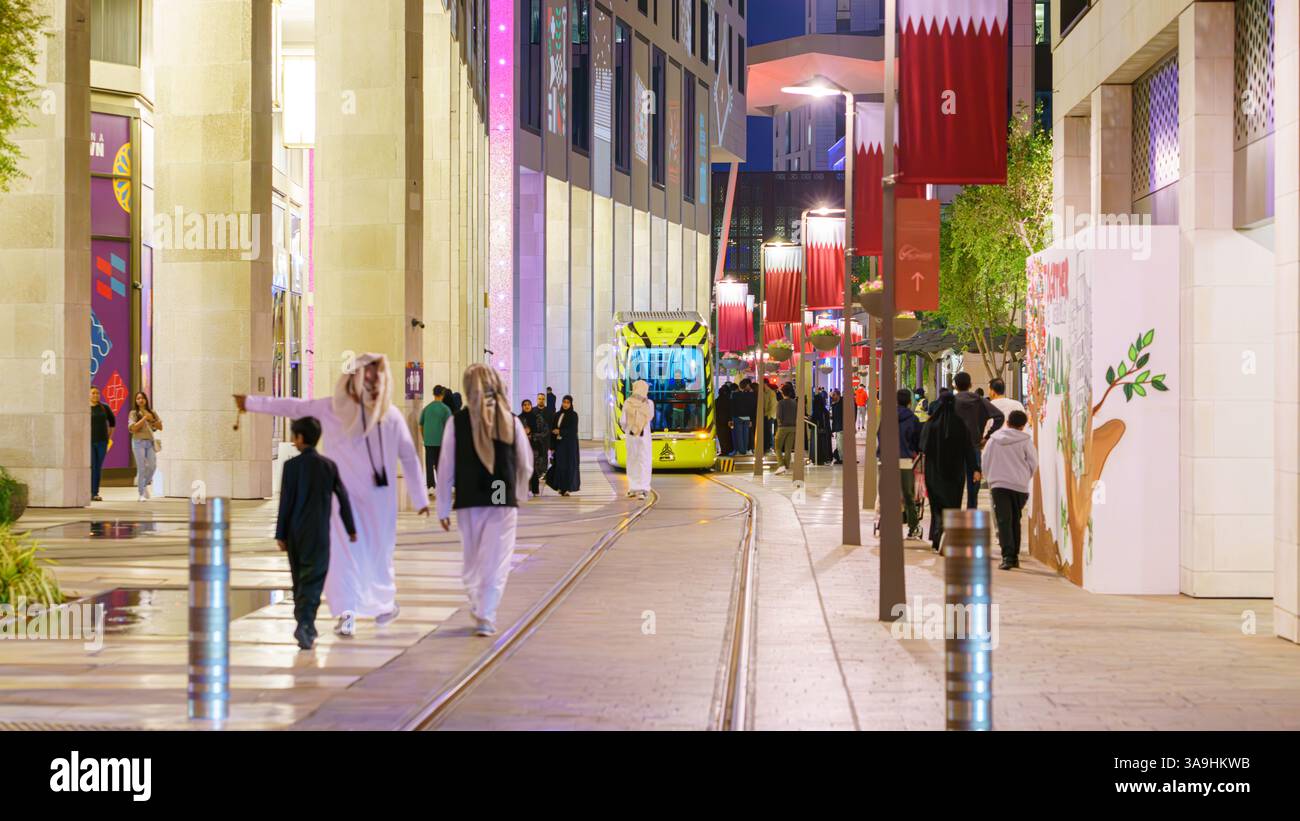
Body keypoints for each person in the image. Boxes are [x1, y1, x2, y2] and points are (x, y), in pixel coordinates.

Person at [235, 353, 428, 638]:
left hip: (342, 498)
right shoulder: (389, 415)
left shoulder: (335, 409)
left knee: (347, 555)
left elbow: (293, 407)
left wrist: (251, 402)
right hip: (374, 499)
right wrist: (420, 497)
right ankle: (380, 605)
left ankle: (349, 612)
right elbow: (409, 457)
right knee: (376, 553)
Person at [437, 364, 533, 636]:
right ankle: (485, 613)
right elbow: (525, 463)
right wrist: (519, 493)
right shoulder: (510, 420)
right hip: (500, 495)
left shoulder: (457, 422)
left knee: (473, 557)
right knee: (497, 558)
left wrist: (442, 507)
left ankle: (478, 602)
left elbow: (445, 467)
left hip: (469, 496)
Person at [277, 417, 357, 650]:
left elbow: (285, 502)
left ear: (300, 438)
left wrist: (280, 533)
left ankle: (305, 623)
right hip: (319, 533)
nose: (293, 441)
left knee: (298, 579)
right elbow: (343, 498)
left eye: (294, 436)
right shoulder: (328, 466)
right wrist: (350, 528)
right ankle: (305, 624)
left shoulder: (290, 467)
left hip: (295, 533)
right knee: (313, 579)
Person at [919, 391, 980, 554]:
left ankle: (937, 538)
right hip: (955, 474)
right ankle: (949, 537)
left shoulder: (931, 424)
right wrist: (975, 468)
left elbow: (922, 446)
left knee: (936, 506)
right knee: (953, 506)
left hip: (934, 473)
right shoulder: (961, 425)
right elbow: (969, 449)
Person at [982, 410, 1038, 570]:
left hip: (999, 485)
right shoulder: (1026, 441)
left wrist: (990, 478)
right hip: (1019, 486)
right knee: (1015, 519)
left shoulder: (994, 440)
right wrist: (1024, 477)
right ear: (1023, 426)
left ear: (1007, 422)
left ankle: (1008, 556)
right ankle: (1014, 557)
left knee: (1003, 520)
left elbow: (985, 460)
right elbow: (1033, 463)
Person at [953, 371, 1005, 509]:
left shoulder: (951, 401)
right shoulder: (979, 400)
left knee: (954, 486)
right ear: (970, 384)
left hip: (954, 449)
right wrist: (987, 437)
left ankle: (955, 515)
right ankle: (971, 512)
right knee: (974, 484)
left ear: (955, 386)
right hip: (974, 446)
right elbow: (999, 416)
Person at [878, 389, 924, 539]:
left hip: (887, 460)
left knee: (888, 494)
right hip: (905, 461)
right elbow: (917, 441)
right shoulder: (913, 419)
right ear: (910, 402)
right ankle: (913, 527)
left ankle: (885, 524)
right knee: (908, 496)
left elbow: (880, 435)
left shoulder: (887, 417)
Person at [620, 379, 654, 499]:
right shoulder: (649, 403)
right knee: (644, 461)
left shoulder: (627, 402)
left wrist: (629, 428)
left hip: (631, 436)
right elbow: (650, 417)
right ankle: (644, 488)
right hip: (644, 437)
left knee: (632, 461)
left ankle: (633, 488)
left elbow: (623, 421)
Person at [127, 391, 162, 501]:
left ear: (146, 400)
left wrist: (152, 419)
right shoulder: (133, 413)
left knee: (152, 466)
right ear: (135, 401)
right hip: (138, 442)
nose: (140, 400)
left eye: (142, 398)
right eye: (138, 398)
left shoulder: (152, 412)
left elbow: (160, 427)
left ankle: (144, 484)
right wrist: (144, 418)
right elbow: (133, 428)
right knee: (141, 467)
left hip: (150, 442)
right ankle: (141, 494)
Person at [418, 386, 452, 498]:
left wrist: (425, 438)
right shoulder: (445, 409)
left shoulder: (427, 408)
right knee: (440, 464)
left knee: (429, 464)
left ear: (434, 394)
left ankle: (430, 487)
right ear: (442, 394)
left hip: (428, 441)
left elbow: (420, 425)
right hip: (441, 441)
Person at [545, 395, 581, 495]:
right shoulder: (557, 415)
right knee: (559, 466)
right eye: (564, 402)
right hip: (559, 445)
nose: (565, 404)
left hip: (569, 446)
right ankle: (561, 486)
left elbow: (573, 430)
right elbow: (552, 430)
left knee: (568, 466)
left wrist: (560, 431)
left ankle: (566, 488)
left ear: (571, 404)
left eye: (568, 402)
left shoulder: (574, 415)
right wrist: (552, 447)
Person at [519, 398, 550, 496]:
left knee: (533, 468)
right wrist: (523, 433)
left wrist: (532, 436)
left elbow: (545, 431)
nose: (527, 406)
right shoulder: (519, 419)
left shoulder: (537, 417)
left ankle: (535, 490)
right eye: (524, 405)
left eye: (528, 404)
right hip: (522, 447)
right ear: (522, 407)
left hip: (535, 446)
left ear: (531, 406)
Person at [89, 386, 115, 502]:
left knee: (98, 467)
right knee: (92, 466)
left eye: (97, 393)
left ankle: (95, 492)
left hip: (102, 442)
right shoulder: (84, 408)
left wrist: (108, 437)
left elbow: (112, 423)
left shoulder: (104, 407)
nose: (96, 395)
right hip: (89, 442)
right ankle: (89, 491)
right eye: (93, 393)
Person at [774, 383, 798, 476]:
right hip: (793, 427)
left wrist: (780, 422)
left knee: (778, 447)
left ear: (782, 392)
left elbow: (779, 416)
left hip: (782, 427)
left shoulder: (780, 403)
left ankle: (781, 465)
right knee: (788, 448)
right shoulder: (794, 403)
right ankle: (786, 467)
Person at [731, 379, 756, 456]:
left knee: (739, 435)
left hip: (738, 417)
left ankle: (741, 451)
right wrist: (751, 419)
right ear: (746, 386)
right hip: (747, 417)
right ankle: (745, 450)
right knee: (746, 434)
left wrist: (731, 418)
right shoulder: (751, 395)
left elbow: (732, 407)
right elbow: (752, 407)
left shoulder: (735, 395)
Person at [715, 383, 734, 457]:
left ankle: (724, 451)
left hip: (719, 421)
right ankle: (729, 450)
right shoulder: (729, 400)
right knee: (728, 436)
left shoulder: (717, 401)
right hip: (728, 421)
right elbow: (731, 410)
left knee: (722, 437)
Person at [763, 378, 778, 452]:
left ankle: (770, 447)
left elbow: (773, 406)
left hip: (770, 416)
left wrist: (769, 416)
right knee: (766, 432)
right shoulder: (763, 392)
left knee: (770, 432)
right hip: (765, 416)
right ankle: (766, 447)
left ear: (765, 384)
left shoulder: (771, 393)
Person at [830, 389, 844, 464]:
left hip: (842, 426)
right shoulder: (834, 404)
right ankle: (841, 458)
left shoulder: (843, 403)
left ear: (838, 395)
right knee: (839, 444)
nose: (832, 396)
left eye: (834, 395)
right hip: (838, 427)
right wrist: (833, 429)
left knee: (840, 444)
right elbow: (834, 417)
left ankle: (842, 459)